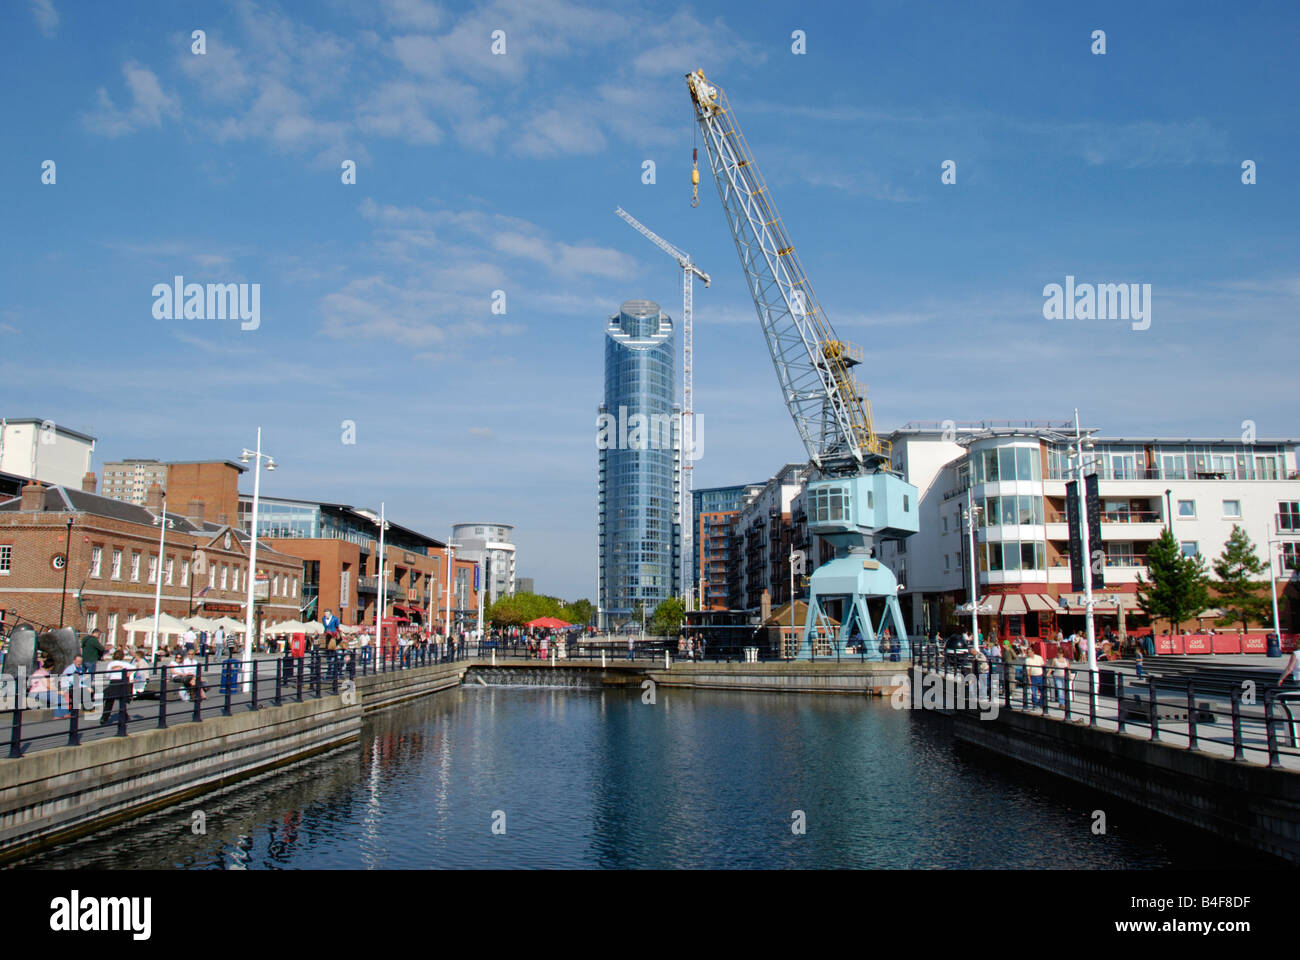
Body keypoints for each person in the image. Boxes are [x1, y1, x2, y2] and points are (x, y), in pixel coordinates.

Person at [99, 650, 135, 726]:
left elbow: (107, 675)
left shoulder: (111, 664)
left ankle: (104, 718)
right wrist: (129, 673)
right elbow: (134, 668)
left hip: (113, 682)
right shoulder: (125, 664)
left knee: (109, 701)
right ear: (123, 656)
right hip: (122, 682)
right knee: (122, 701)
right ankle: (124, 716)